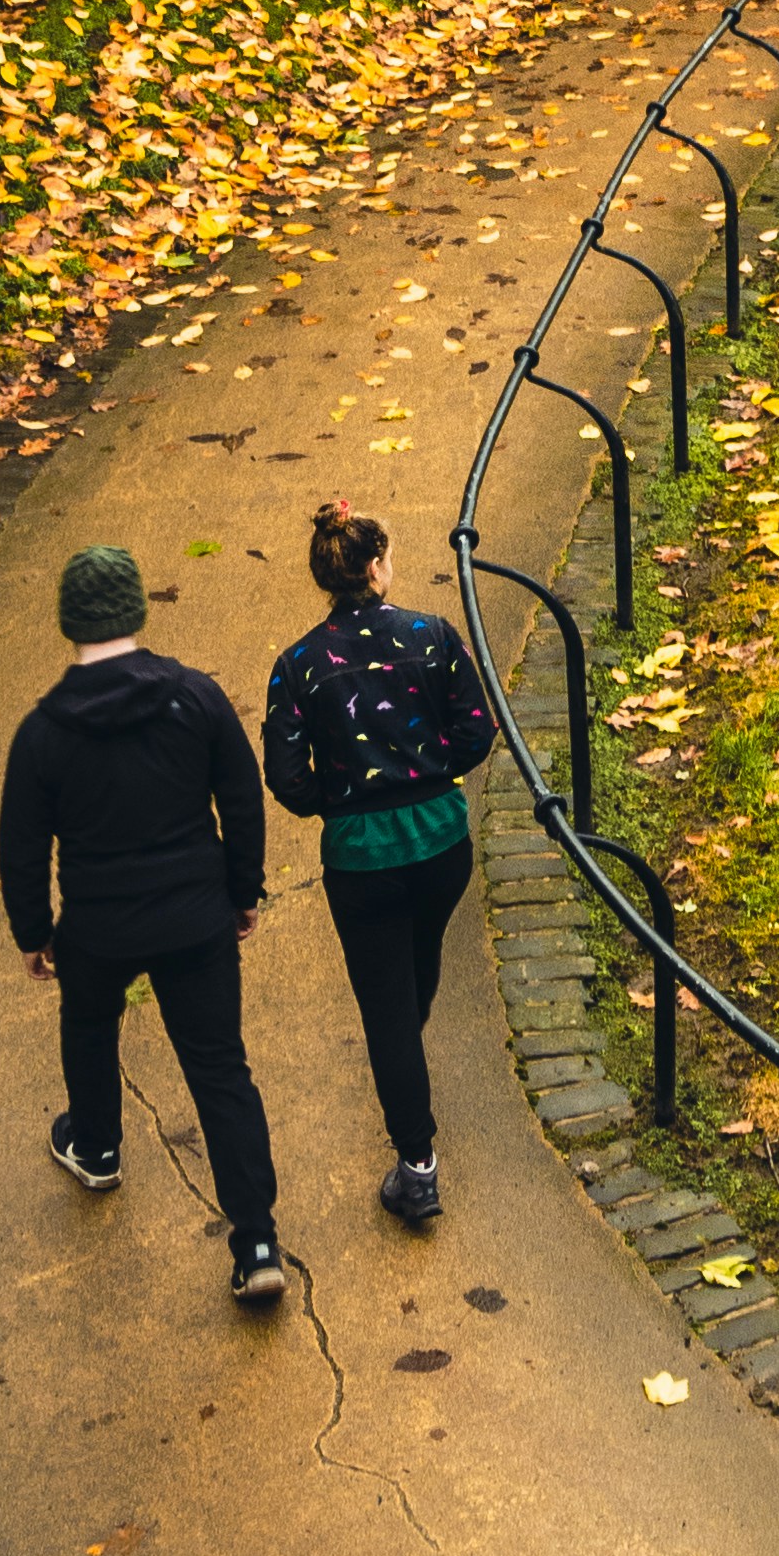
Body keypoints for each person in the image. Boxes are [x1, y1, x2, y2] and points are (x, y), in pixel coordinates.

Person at [0, 542, 288, 1305]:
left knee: (89, 1026)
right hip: (194, 916)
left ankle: (95, 1143)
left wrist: (35, 931)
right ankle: (255, 1236)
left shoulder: (42, 733)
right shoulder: (195, 698)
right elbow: (242, 794)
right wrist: (242, 889)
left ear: (70, 625)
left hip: (98, 926)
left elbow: (22, 844)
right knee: (219, 1067)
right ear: (136, 612)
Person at [262, 503, 500, 1230]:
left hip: (361, 859)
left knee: (386, 1008)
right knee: (418, 960)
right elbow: (476, 730)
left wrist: (333, 800)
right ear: (377, 566)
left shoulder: (297, 665)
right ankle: (411, 1046)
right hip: (440, 842)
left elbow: (285, 774)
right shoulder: (433, 636)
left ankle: (418, 1169)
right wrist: (432, 772)